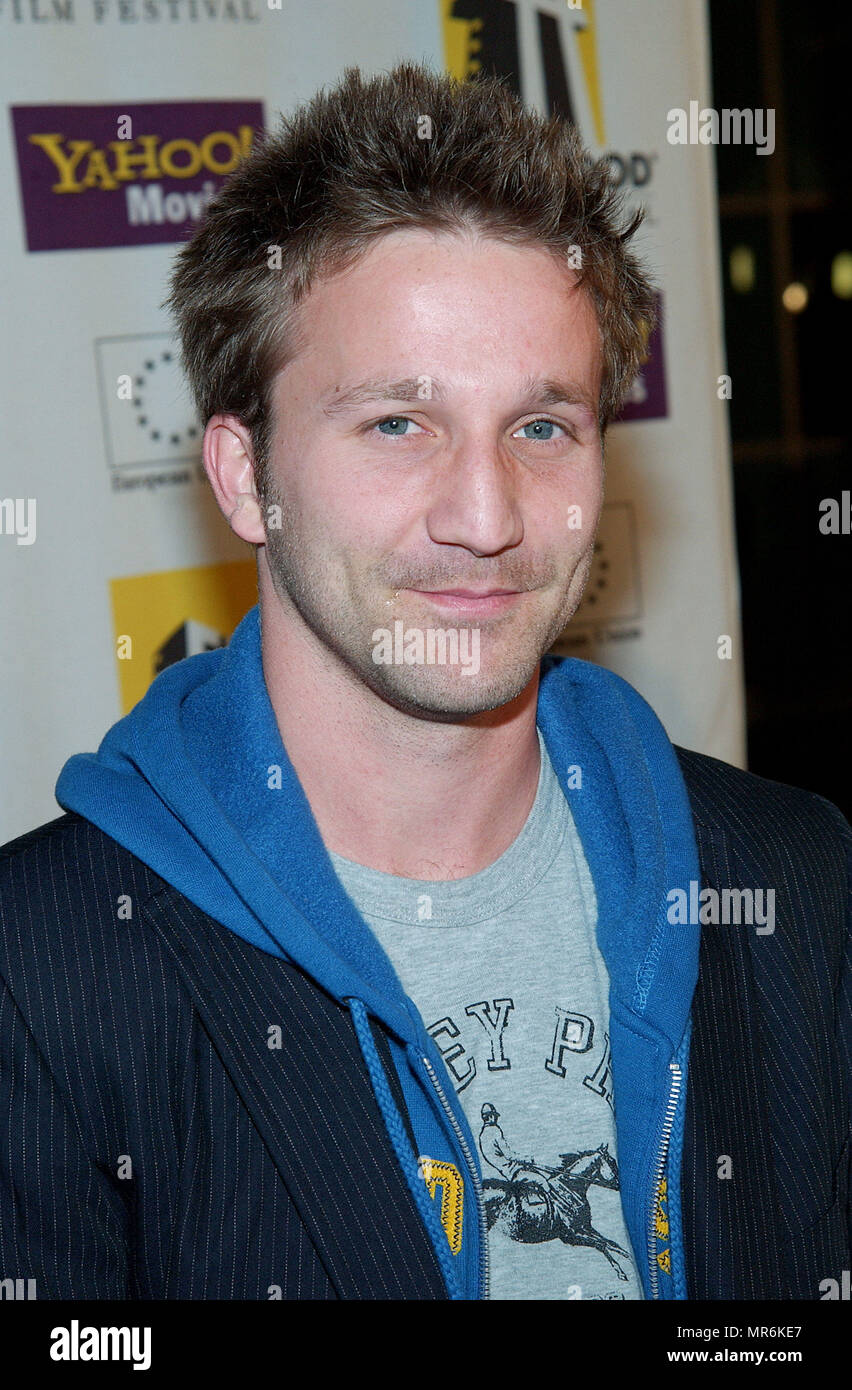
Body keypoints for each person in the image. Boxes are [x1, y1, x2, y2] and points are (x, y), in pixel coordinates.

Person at [0, 61, 849, 1303]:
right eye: (399, 422)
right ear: (246, 477)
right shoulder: (43, 965)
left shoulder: (789, 878)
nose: (487, 514)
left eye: (542, 425)